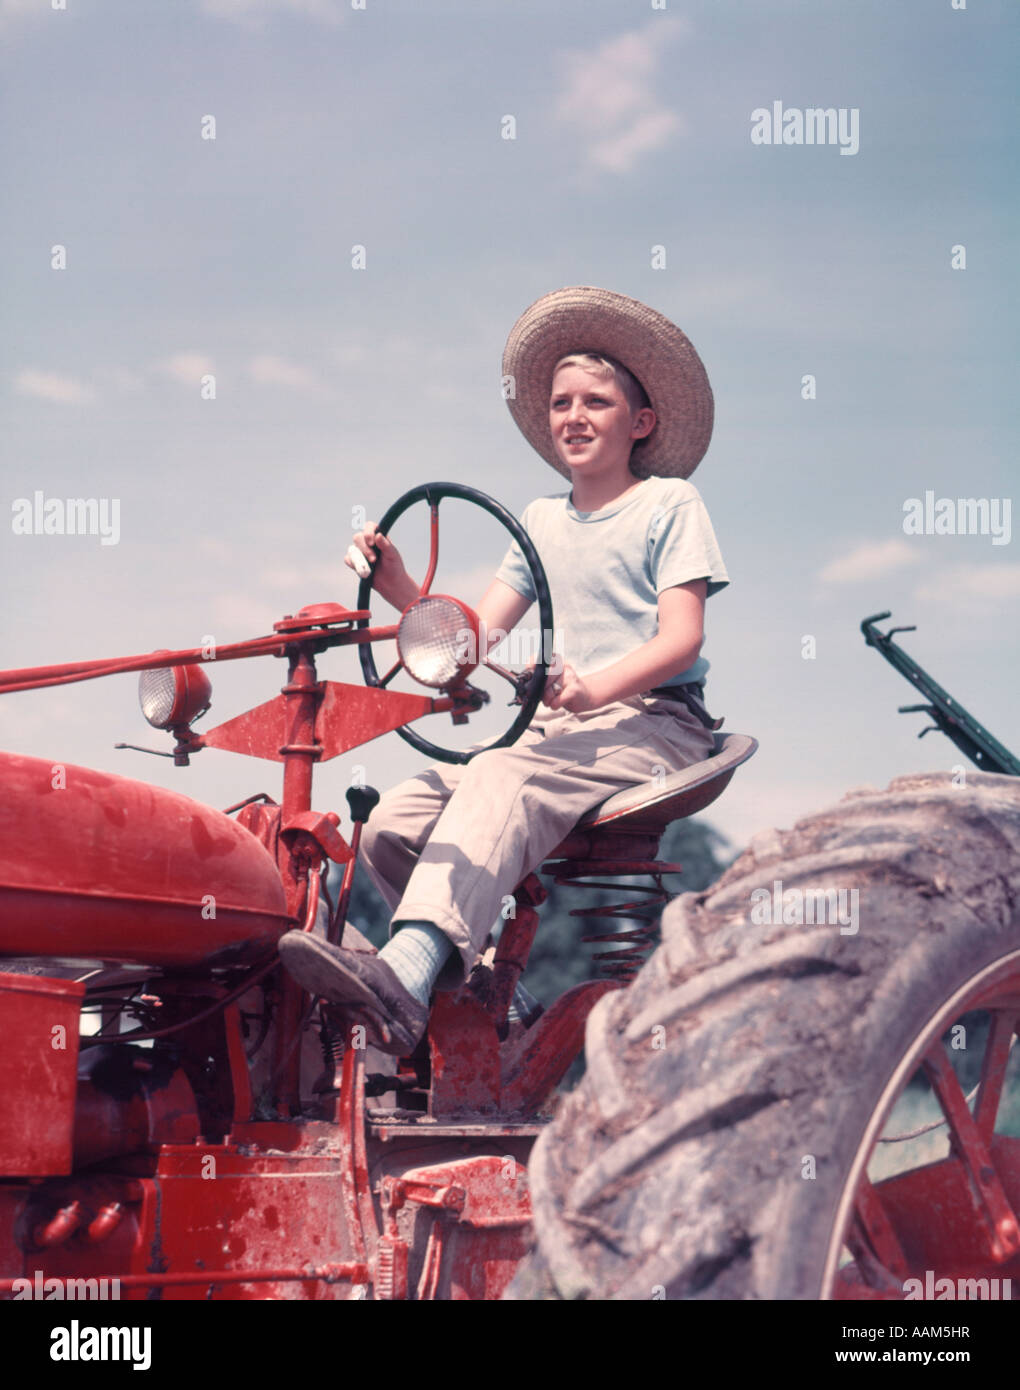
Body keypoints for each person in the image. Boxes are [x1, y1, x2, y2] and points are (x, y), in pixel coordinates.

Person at [279, 285, 729, 1055]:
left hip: (654, 726)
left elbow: (680, 638)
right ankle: (498, 994)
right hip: (559, 733)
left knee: (500, 776)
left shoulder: (669, 504)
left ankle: (403, 978)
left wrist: (590, 689)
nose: (574, 417)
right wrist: (394, 589)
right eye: (560, 403)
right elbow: (470, 643)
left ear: (641, 423)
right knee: (392, 823)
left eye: (596, 402)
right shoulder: (542, 522)